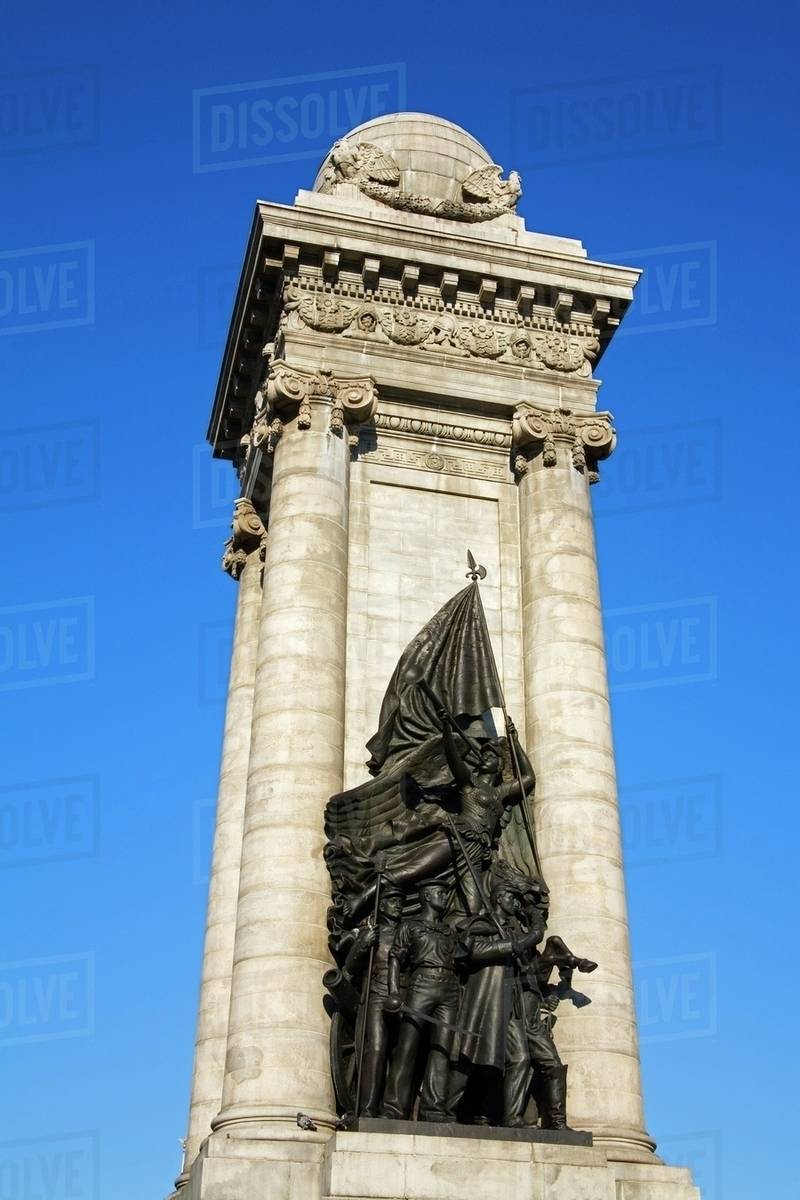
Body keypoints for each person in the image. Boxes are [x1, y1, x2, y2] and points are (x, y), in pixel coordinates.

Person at [446, 880, 539, 1127]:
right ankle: (445, 1109)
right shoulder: (482, 923)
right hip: (487, 999)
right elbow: (472, 951)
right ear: (499, 898)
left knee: (520, 1058)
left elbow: (529, 948)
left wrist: (532, 918)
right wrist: (510, 946)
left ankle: (511, 1117)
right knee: (469, 1056)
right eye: (512, 898)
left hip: (510, 1004)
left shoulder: (510, 929)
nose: (515, 903)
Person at [381, 881, 464, 1122]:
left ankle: (433, 1109)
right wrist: (394, 992)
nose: (444, 897)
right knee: (408, 1046)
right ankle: (394, 1108)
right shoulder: (410, 926)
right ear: (427, 896)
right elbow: (395, 958)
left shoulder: (449, 930)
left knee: (442, 1048)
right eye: (440, 893)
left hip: (449, 987)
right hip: (422, 983)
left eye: (445, 893)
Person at [342, 885, 406, 1117]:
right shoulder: (371, 932)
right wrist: (364, 943)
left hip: (405, 996)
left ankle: (395, 1110)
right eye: (392, 901)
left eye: (400, 902)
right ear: (381, 905)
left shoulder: (408, 931)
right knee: (376, 1048)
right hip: (377, 995)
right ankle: (367, 1108)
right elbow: (350, 967)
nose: (398, 905)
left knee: (401, 1053)